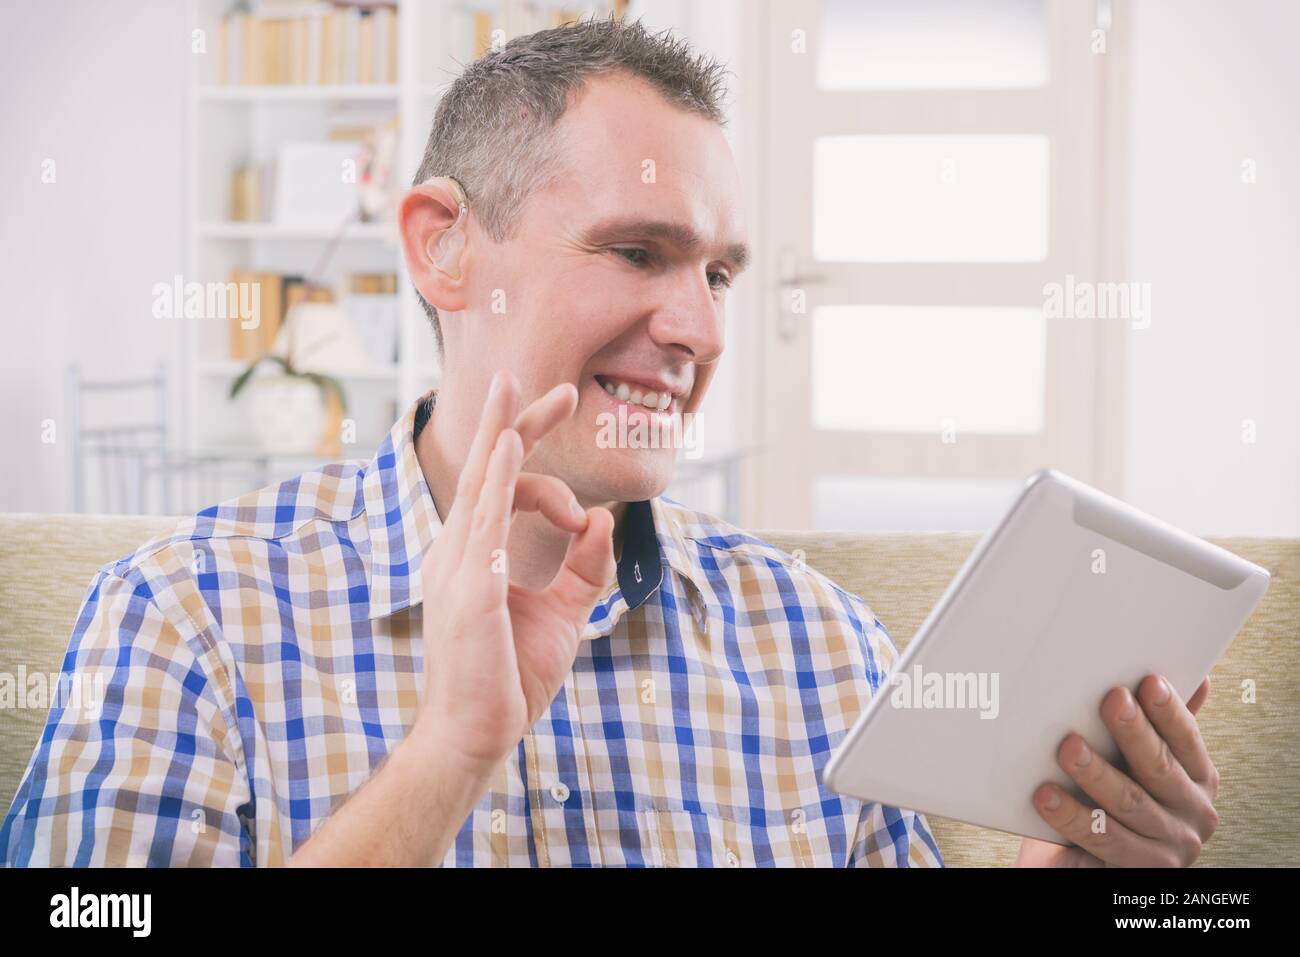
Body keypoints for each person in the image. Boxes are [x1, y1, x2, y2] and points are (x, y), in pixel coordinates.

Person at [1, 18, 1219, 868]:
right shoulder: (184, 617)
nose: (696, 329)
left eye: (721, 272)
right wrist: (448, 755)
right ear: (441, 244)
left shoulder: (822, 648)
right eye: (637, 252)